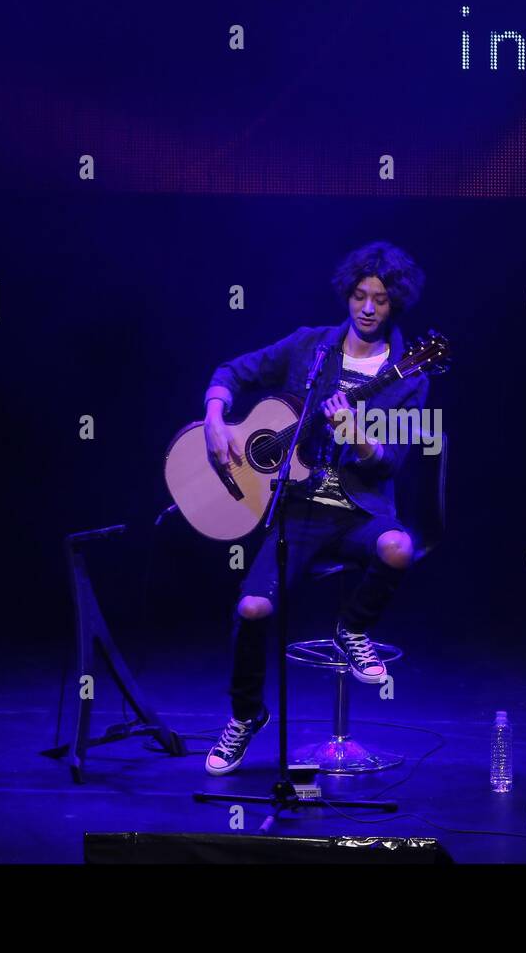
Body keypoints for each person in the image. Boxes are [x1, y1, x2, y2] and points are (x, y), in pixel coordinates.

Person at [200, 241, 429, 775]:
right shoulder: (311, 348)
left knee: (399, 548)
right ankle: (245, 715)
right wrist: (215, 417)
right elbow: (231, 371)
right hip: (297, 510)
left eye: (380, 300)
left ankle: (352, 630)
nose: (368, 308)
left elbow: (391, 462)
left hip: (359, 512)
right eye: (359, 296)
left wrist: (360, 437)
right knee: (252, 609)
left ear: (396, 304)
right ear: (347, 295)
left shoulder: (410, 375)